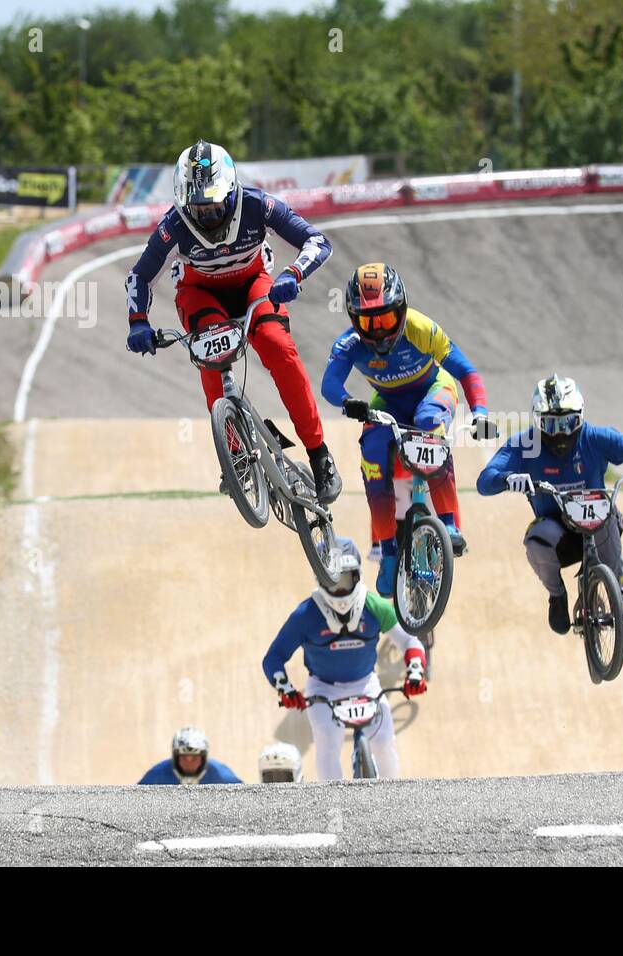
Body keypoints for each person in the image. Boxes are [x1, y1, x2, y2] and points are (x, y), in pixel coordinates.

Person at [124, 139, 342, 504]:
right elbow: (139, 276)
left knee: (277, 346)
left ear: (231, 191)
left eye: (213, 206)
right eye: (198, 209)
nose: (206, 216)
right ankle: (236, 455)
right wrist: (137, 322)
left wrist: (293, 274)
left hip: (253, 283)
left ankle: (319, 454)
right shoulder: (174, 226)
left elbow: (316, 241)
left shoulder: (258, 205)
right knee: (210, 351)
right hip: (201, 292)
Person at [321, 262, 496, 596]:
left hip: (434, 390)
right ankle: (388, 552)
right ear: (352, 319)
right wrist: (347, 402)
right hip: (387, 403)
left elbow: (467, 372)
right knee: (372, 455)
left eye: (385, 319)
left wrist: (480, 413)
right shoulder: (349, 344)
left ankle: (448, 525)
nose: (377, 331)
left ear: (400, 311)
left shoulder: (420, 327)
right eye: (366, 321)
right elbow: (329, 384)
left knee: (430, 424)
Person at [476, 374, 623, 634]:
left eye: (569, 423)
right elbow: (485, 481)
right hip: (558, 535)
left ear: (581, 416)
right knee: (536, 538)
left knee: (606, 509)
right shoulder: (524, 445)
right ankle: (557, 595)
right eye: (551, 425)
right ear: (536, 421)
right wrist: (507, 478)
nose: (562, 433)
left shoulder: (596, 438)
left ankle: (618, 590)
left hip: (597, 521)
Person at [262, 538, 428, 781]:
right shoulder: (305, 614)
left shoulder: (374, 605)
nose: (339, 588)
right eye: (332, 580)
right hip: (322, 688)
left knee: (384, 743)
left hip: (366, 685)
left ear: (357, 576)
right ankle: (334, 807)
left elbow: (409, 641)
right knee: (328, 744)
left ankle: (393, 801)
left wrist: (415, 671)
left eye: (344, 579)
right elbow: (274, 657)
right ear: (320, 579)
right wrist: (285, 688)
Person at [138, 726, 242, 784]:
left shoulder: (222, 775)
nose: (189, 763)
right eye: (183, 758)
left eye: (194, 758)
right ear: (175, 758)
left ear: (204, 759)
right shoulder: (156, 775)